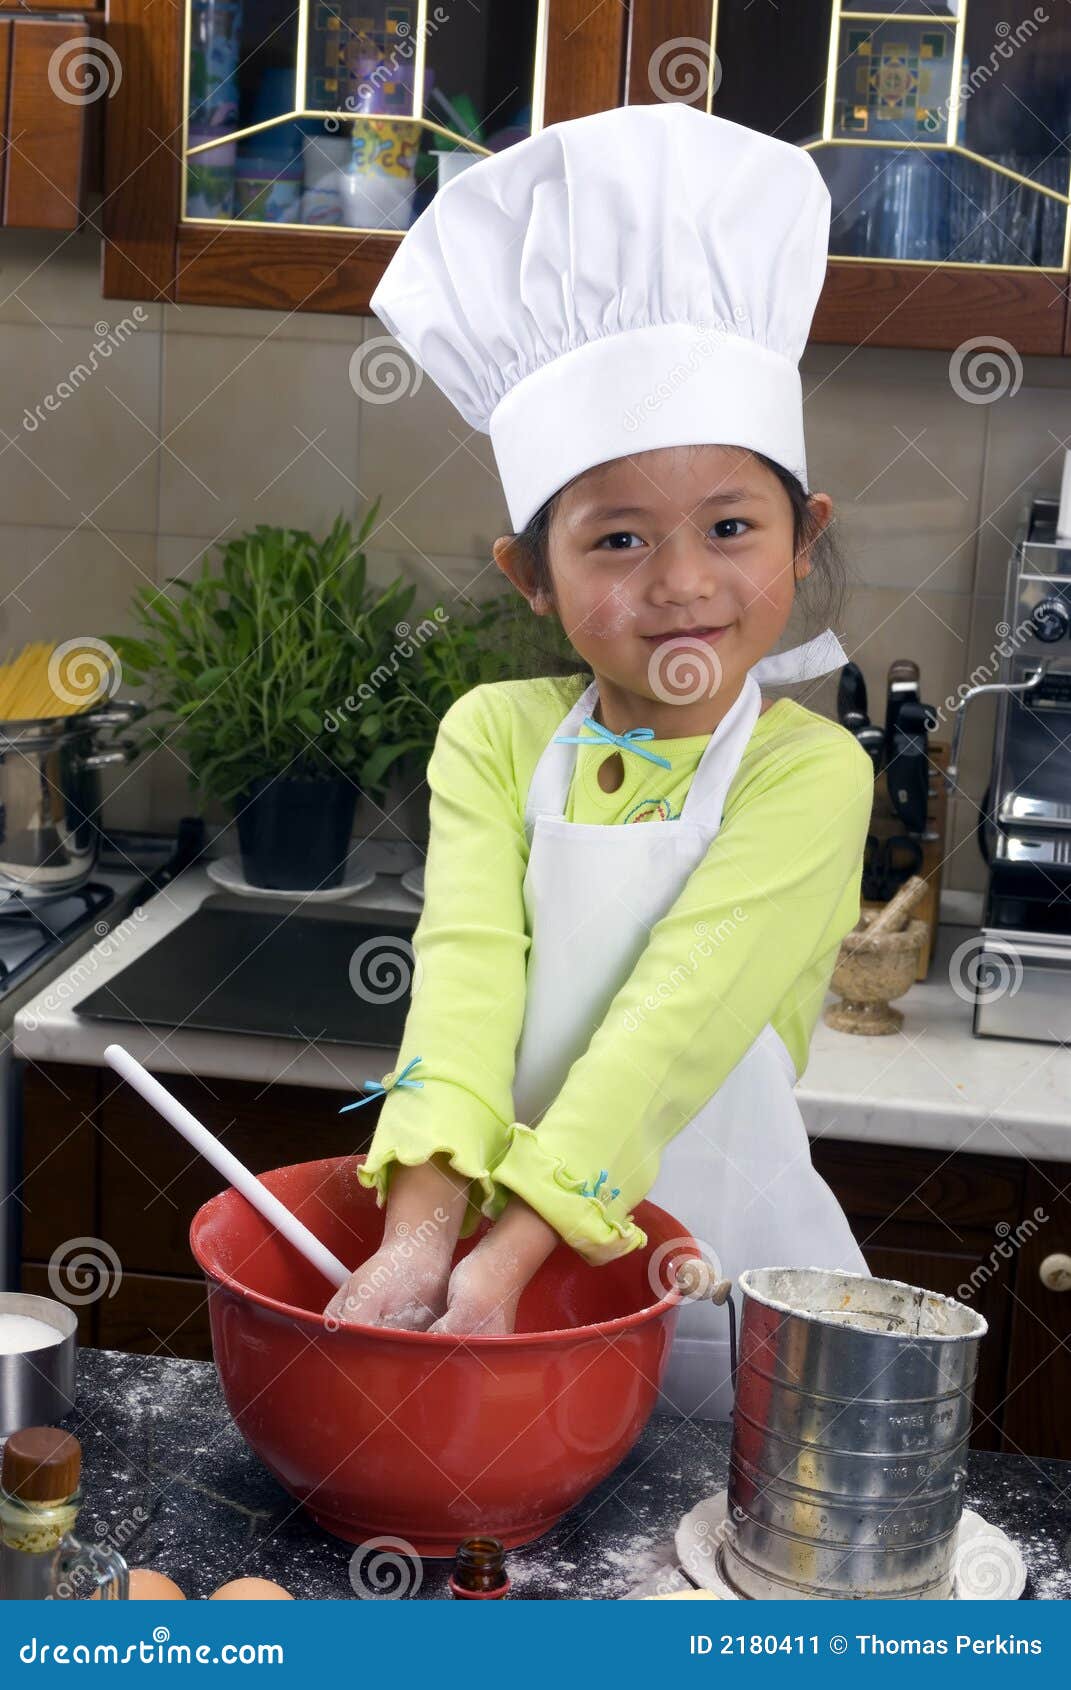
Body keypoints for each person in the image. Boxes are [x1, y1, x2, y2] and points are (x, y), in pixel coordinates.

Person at [323, 102, 873, 1420]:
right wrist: (416, 1241)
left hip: (723, 1296)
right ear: (531, 573)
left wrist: (500, 1262)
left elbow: (664, 1038)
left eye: (731, 526)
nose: (681, 584)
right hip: (504, 1303)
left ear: (804, 540)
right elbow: (460, 1000)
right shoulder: (499, 737)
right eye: (617, 540)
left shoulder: (811, 773)